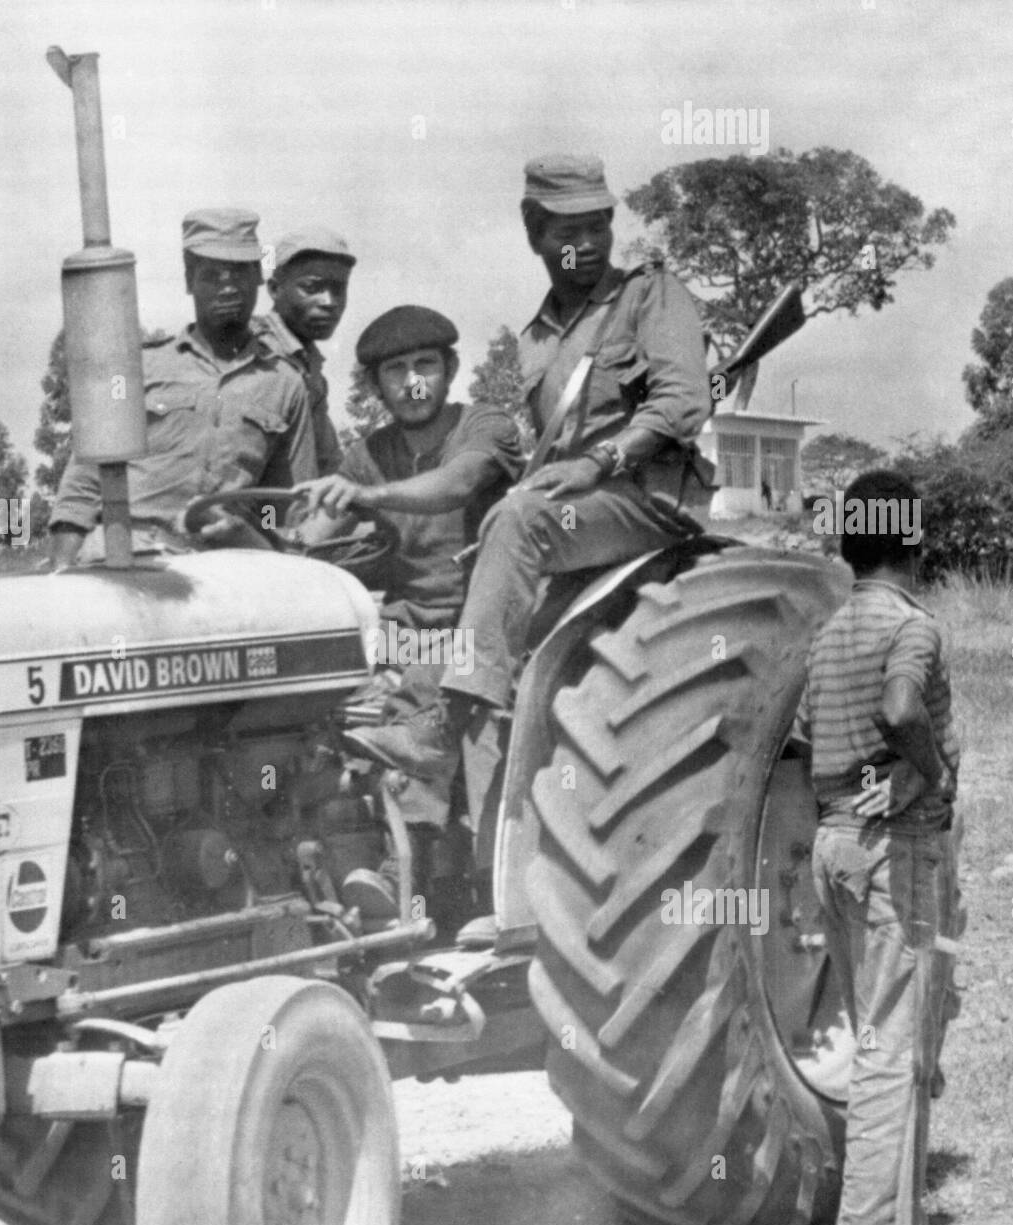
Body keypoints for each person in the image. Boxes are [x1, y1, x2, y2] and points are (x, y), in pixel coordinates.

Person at [350, 153, 712, 792]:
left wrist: (598, 461)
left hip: (646, 499)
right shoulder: (536, 341)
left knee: (518, 521)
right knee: (463, 604)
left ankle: (440, 728)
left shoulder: (650, 294)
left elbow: (682, 404)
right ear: (534, 235)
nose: (586, 245)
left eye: (597, 227)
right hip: (579, 514)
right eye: (566, 233)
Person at [795, 469, 966, 1225]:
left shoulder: (826, 634)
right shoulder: (912, 628)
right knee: (889, 1055)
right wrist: (925, 775)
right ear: (910, 541)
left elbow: (800, 739)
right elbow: (902, 709)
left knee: (875, 1040)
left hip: (832, 844)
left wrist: (848, 800)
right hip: (892, 850)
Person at [296, 305, 523, 757]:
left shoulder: (486, 425)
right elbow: (307, 544)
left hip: (475, 629)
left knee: (425, 688)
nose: (412, 381)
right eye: (395, 370)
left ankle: (417, 813)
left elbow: (457, 484)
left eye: (426, 364)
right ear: (376, 385)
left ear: (451, 369)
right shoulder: (369, 454)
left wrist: (369, 495)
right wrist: (238, 532)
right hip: (400, 631)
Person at [49, 208, 317, 565]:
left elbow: (287, 508)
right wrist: (61, 575)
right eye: (212, 274)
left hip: (221, 566)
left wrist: (255, 538)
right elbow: (82, 487)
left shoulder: (285, 384)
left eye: (239, 272)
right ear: (190, 279)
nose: (227, 286)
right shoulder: (139, 369)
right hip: (125, 555)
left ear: (257, 276)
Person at [255, 227, 355, 475]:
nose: (329, 302)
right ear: (275, 289)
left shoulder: (309, 365)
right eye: (312, 288)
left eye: (338, 289)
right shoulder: (252, 353)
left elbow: (327, 460)